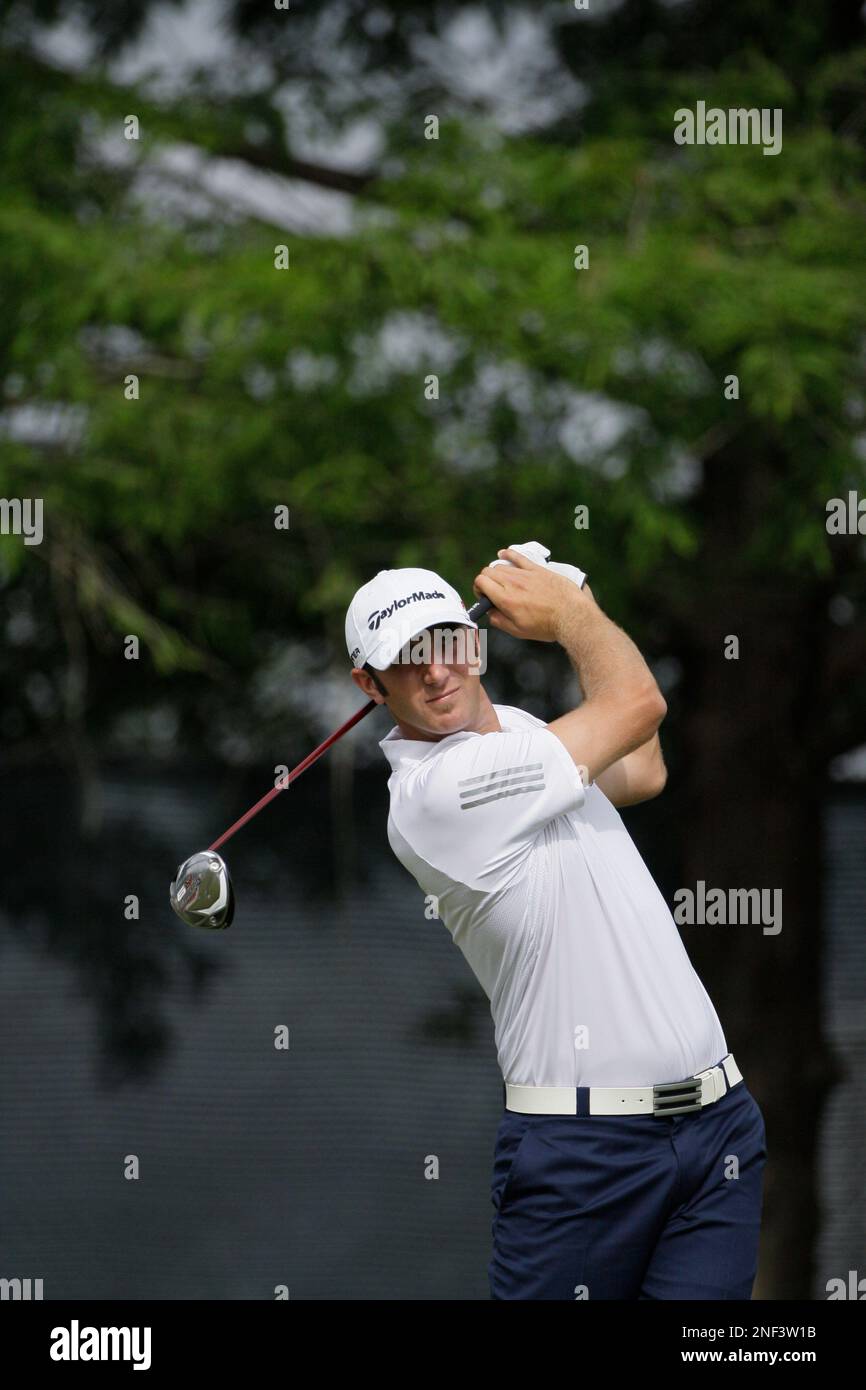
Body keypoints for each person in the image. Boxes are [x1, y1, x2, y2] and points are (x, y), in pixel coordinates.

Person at [345, 546, 767, 1300]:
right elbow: (640, 704)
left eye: (443, 643)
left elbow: (643, 768)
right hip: (587, 1156)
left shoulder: (517, 730)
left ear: (473, 641)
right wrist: (572, 614)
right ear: (367, 685)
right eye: (404, 662)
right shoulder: (437, 793)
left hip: (718, 1127)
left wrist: (580, 592)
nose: (435, 672)